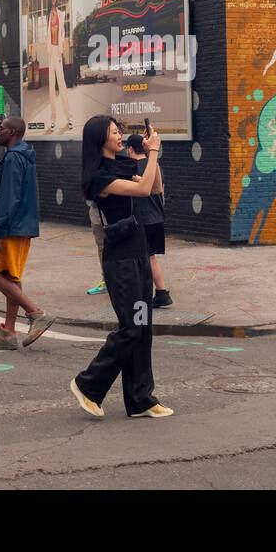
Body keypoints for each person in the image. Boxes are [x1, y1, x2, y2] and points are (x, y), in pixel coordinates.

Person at [71, 116, 173, 420]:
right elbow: (141, 190)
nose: (120, 136)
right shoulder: (99, 176)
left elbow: (152, 187)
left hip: (139, 253)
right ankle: (87, 384)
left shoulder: (121, 163)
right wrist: (152, 153)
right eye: (115, 132)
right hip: (120, 261)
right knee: (131, 328)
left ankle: (141, 398)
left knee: (143, 329)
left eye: (119, 131)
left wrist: (147, 152)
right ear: (99, 139)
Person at [0, 116, 54, 349]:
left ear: (12, 132)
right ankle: (8, 333)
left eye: (1, 129)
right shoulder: (23, 156)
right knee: (11, 277)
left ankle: (36, 313)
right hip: (20, 226)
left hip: (10, 228)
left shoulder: (12, 158)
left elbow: (9, 198)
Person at [126, 133, 172, 307]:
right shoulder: (154, 165)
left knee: (142, 259)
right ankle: (161, 292)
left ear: (130, 148)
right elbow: (161, 191)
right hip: (157, 217)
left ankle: (142, 295)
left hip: (141, 219)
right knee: (150, 257)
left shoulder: (129, 168)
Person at [44, 0, 73, 133]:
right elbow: (47, 35)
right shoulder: (48, 14)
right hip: (50, 53)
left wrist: (61, 50)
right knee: (51, 88)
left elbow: (62, 33)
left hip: (58, 52)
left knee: (62, 85)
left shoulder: (60, 13)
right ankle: (53, 120)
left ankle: (69, 118)